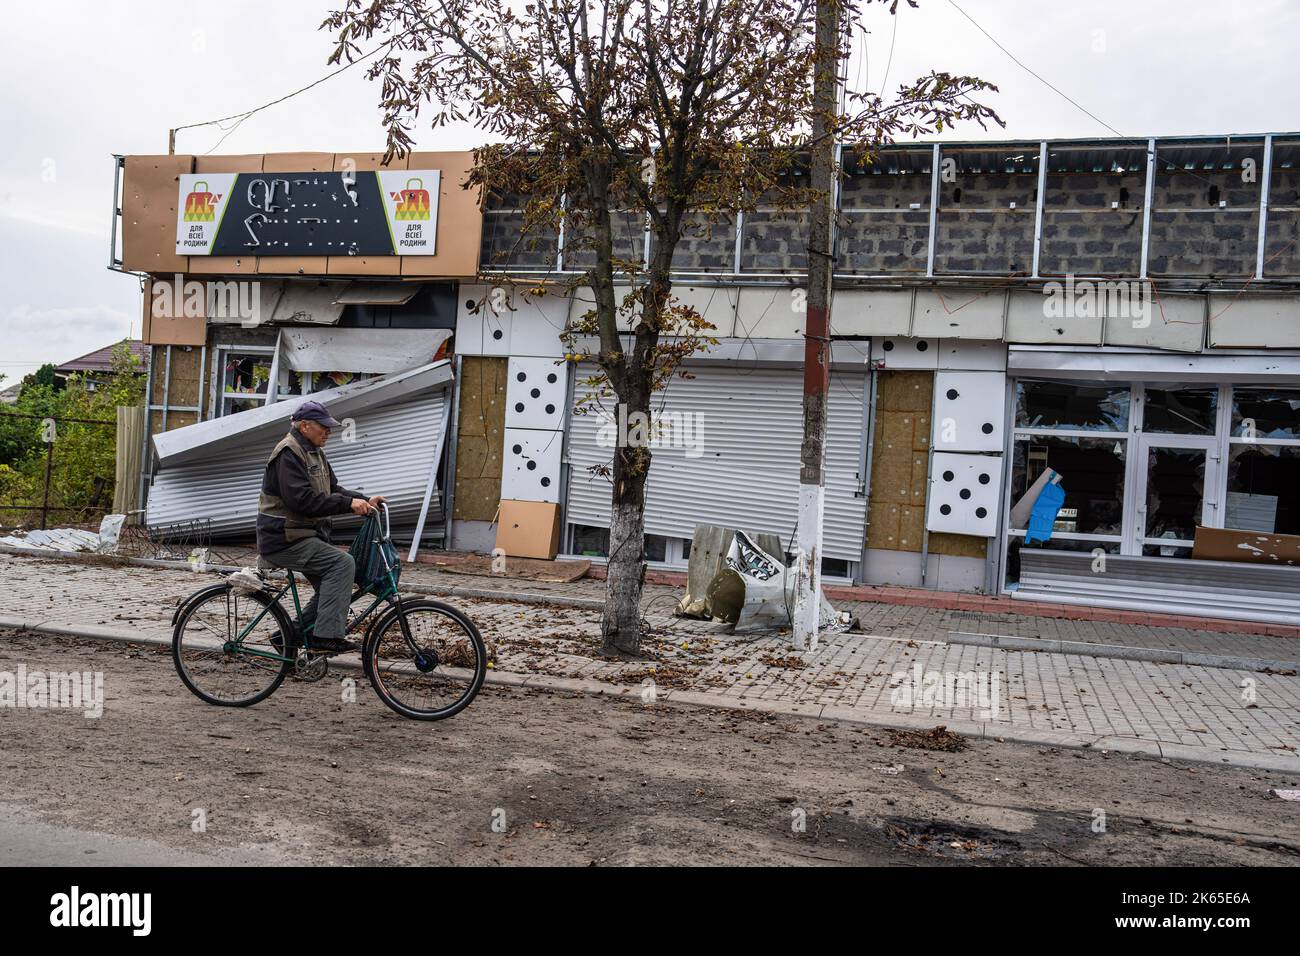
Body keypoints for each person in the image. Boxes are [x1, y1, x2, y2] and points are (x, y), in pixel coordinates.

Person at [255, 400, 384, 653]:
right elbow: (302, 501)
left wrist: (365, 500)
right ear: (305, 426)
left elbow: (332, 490)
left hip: (303, 535)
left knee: (332, 587)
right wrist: (348, 505)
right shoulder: (288, 453)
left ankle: (287, 636)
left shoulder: (315, 452)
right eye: (323, 427)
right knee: (342, 564)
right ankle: (324, 638)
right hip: (283, 538)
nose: (329, 432)